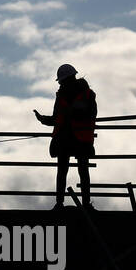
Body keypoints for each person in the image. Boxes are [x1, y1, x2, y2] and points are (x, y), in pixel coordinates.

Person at [34, 63, 98, 209]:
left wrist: (73, 113)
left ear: (68, 79)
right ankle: (60, 203)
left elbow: (91, 114)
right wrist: (43, 119)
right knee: (64, 171)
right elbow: (57, 118)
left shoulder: (87, 94)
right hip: (65, 139)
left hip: (80, 138)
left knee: (81, 170)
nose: (61, 84)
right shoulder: (62, 95)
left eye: (62, 81)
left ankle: (85, 204)